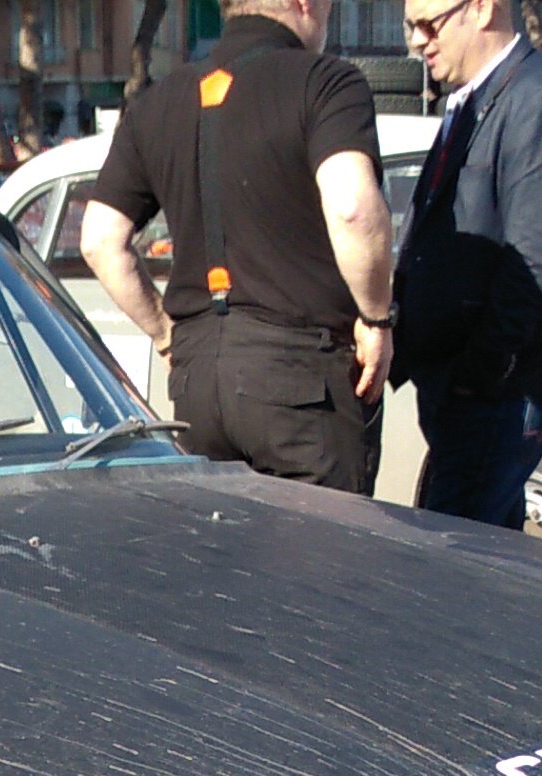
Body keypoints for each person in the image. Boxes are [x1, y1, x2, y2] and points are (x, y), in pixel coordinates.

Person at [78, 0, 395, 494]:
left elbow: (99, 241)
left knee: (225, 563)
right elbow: (354, 206)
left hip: (197, 385)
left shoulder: (154, 103)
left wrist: (166, 336)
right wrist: (376, 318)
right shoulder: (328, 81)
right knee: (323, 565)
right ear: (303, 3)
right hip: (302, 385)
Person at [389, 0, 542, 531]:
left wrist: (476, 377)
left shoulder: (541, 102)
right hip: (465, 386)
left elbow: (535, 260)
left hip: (499, 390)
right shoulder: (473, 101)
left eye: (428, 24)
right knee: (485, 562)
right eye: (410, 26)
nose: (417, 41)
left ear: (481, 9)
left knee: (451, 559)